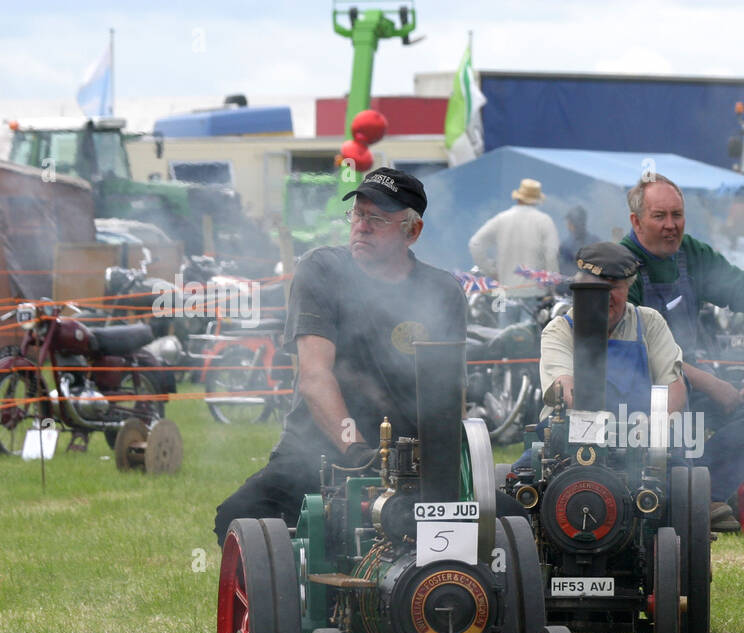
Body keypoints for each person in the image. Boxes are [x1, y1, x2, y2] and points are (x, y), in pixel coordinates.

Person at [214, 167, 468, 541]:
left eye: (377, 218)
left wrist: (446, 468)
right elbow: (315, 376)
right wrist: (356, 451)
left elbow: (450, 395)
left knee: (503, 519)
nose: (362, 226)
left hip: (412, 465)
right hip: (317, 454)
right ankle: (294, 595)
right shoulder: (323, 270)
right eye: (358, 214)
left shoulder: (443, 292)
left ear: (411, 232)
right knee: (241, 515)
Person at [620, 174, 744, 531]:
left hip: (694, 383)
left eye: (677, 215)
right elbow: (643, 348)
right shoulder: (622, 265)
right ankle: (687, 493)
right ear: (636, 221)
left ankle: (704, 492)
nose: (671, 226)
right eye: (659, 216)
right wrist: (712, 383)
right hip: (645, 395)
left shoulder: (691, 254)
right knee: (670, 431)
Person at [540, 242, 685, 418]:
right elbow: (564, 388)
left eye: (614, 286)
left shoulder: (650, 323)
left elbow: (673, 389)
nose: (605, 295)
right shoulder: (559, 330)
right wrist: (603, 428)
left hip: (638, 435)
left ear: (628, 288)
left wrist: (651, 433)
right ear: (581, 287)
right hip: (572, 436)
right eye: (597, 286)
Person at [468, 177, 560, 313]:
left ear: (518, 197)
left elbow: (475, 244)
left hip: (506, 292)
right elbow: (551, 255)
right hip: (535, 294)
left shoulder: (501, 219)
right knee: (531, 333)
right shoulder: (544, 221)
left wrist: (491, 272)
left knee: (505, 333)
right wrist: (552, 286)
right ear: (536, 200)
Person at [558, 206, 600, 277]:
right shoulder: (565, 245)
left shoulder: (595, 242)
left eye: (570, 222)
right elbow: (563, 267)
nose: (568, 226)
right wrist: (575, 274)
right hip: (573, 285)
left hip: (593, 284)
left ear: (576, 223)